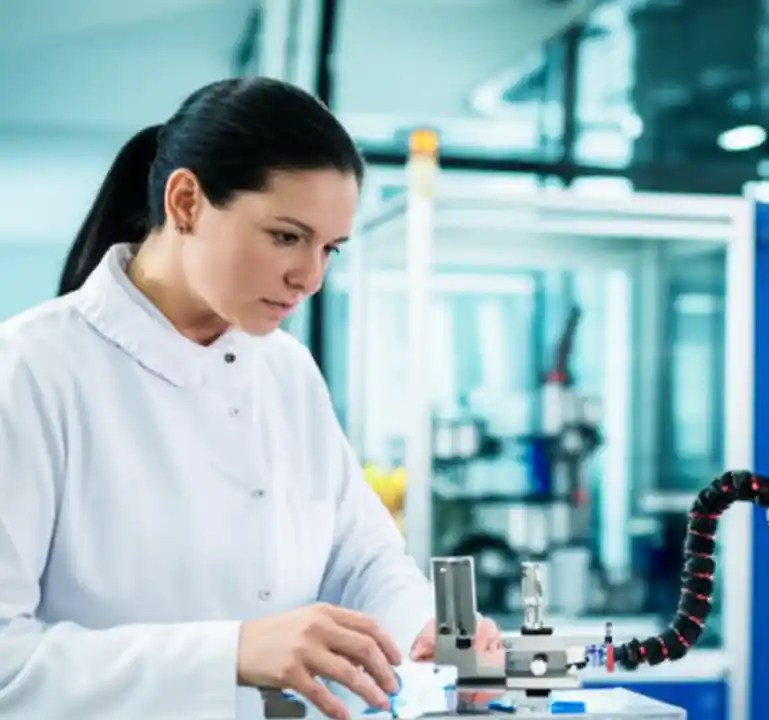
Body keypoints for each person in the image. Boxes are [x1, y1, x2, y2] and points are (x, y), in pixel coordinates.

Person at [0, 77, 500, 720]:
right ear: (185, 202)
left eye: (329, 249)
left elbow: (361, 558)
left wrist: (421, 631)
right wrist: (230, 653)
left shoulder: (287, 370)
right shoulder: (31, 370)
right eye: (286, 236)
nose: (309, 277)